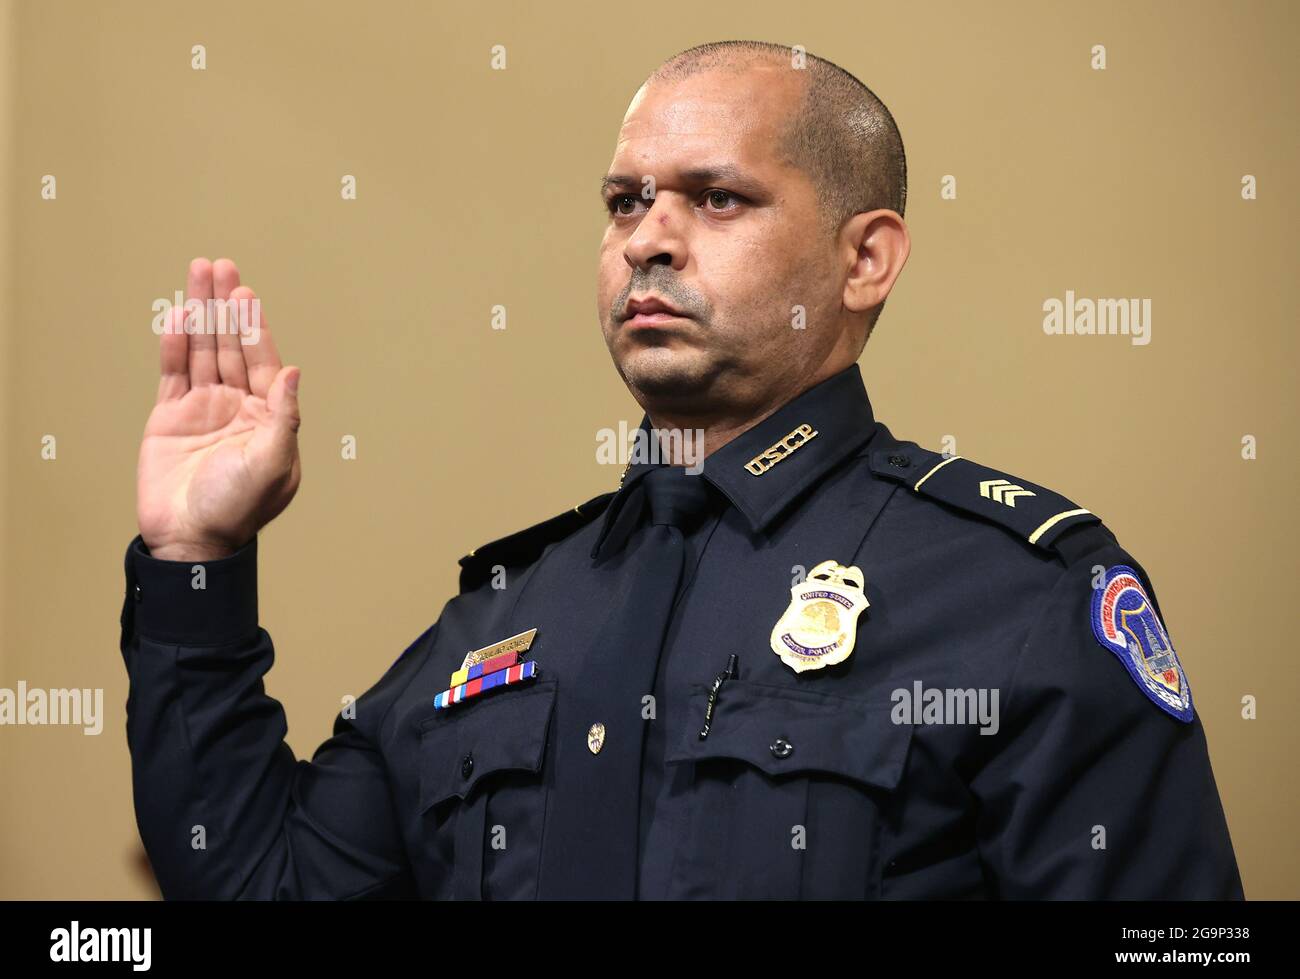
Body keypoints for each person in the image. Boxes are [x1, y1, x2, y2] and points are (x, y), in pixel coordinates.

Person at [120, 40, 1243, 899]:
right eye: (623, 202)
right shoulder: (505, 619)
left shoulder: (1019, 596)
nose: (647, 239)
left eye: (715, 197)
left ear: (864, 258)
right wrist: (195, 558)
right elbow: (260, 881)